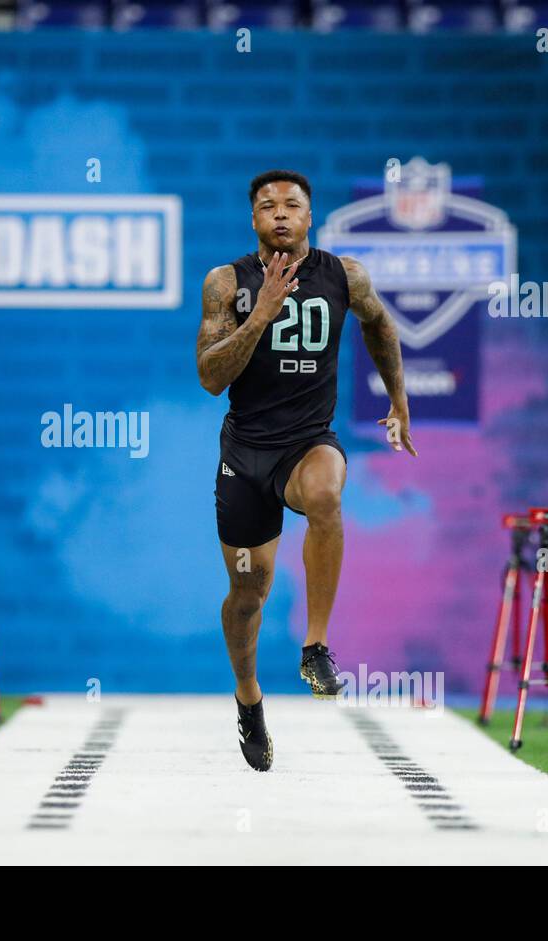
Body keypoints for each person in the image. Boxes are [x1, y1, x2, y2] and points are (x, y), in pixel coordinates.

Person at [195, 171, 417, 771]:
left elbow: (379, 322)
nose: (280, 214)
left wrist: (398, 400)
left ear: (310, 216)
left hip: (308, 442)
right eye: (267, 206)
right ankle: (249, 700)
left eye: (292, 204)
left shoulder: (343, 275)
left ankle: (316, 646)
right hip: (246, 455)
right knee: (249, 593)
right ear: (253, 220)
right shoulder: (227, 283)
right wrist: (260, 314)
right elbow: (211, 377)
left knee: (325, 493)